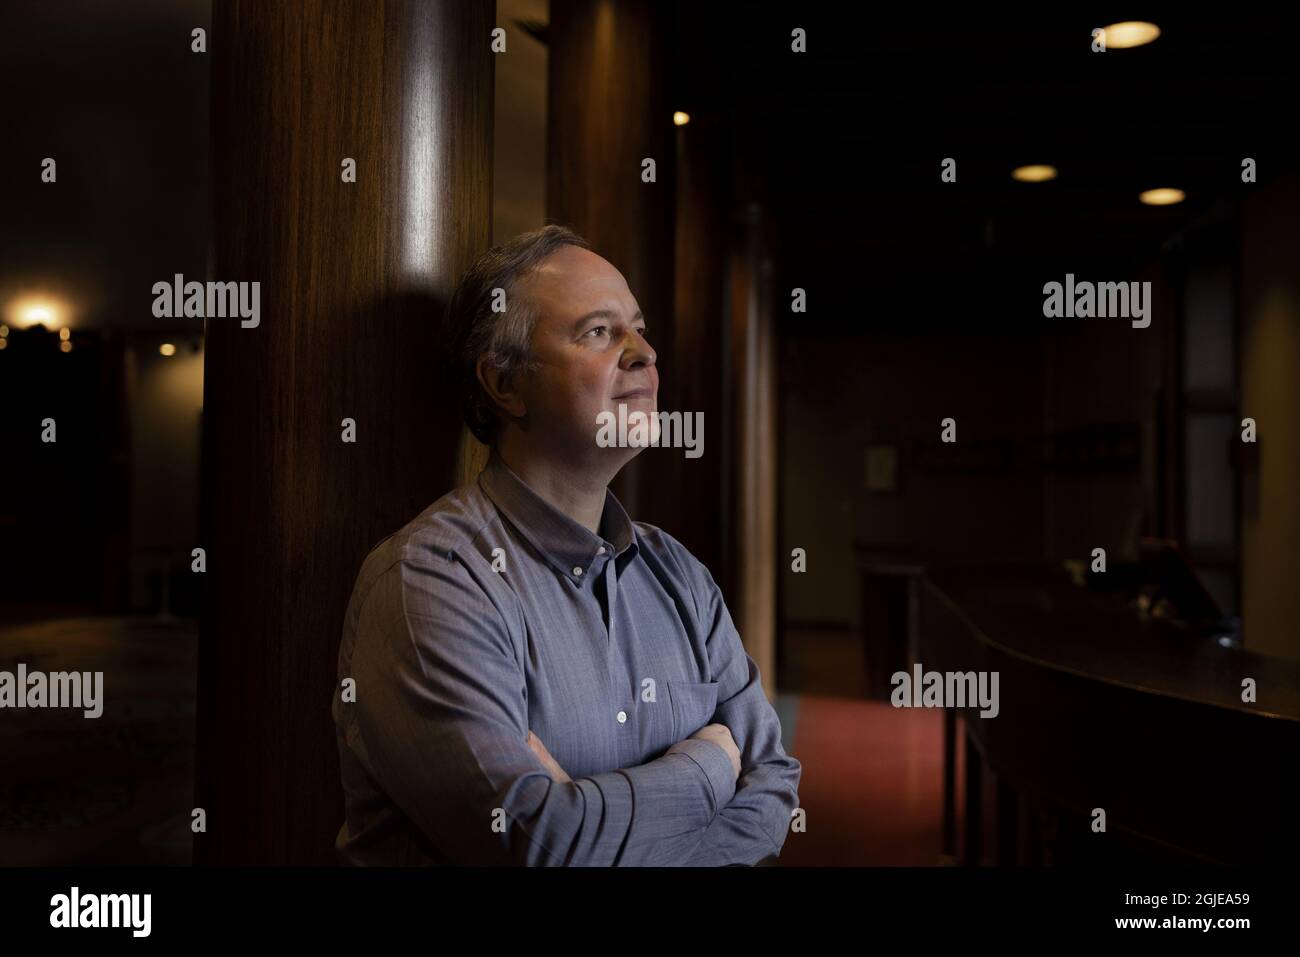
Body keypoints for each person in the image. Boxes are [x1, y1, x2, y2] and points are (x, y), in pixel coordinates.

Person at [331, 224, 801, 865]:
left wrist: (586, 810)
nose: (644, 353)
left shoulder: (680, 573)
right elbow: (538, 842)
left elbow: (773, 790)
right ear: (505, 383)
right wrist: (710, 765)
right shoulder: (430, 582)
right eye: (600, 332)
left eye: (638, 328)